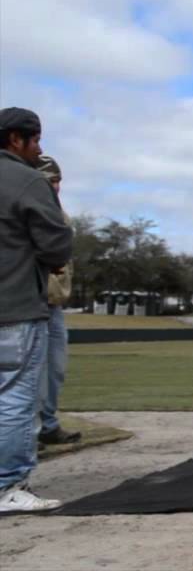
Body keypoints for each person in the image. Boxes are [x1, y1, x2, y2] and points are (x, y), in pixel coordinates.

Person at [0, 108, 73, 513]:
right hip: (14, 307)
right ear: (16, 139)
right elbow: (56, 244)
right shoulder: (27, 179)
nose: (39, 147)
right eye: (35, 139)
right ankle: (9, 485)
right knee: (15, 398)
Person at [35, 155, 81, 446]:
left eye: (58, 180)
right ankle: (30, 430)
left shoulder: (59, 214)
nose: (57, 186)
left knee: (55, 369)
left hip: (54, 303)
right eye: (51, 180)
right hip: (32, 301)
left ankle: (48, 423)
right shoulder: (29, 208)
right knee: (30, 373)